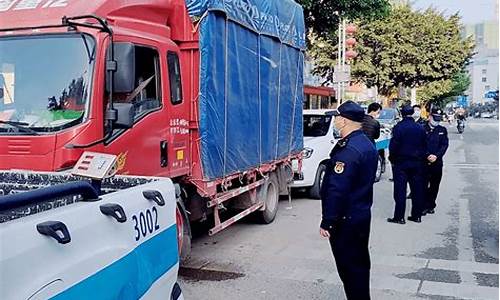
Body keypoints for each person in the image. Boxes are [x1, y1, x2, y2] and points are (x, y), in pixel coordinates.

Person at [319, 100, 378, 300]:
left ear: (343, 121)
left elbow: (338, 190)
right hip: (360, 215)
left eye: (336, 118)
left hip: (346, 220)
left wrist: (328, 220)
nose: (334, 121)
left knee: (350, 269)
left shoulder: (349, 151)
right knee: (359, 266)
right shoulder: (365, 143)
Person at [387, 105, 427, 224]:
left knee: (400, 191)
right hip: (417, 163)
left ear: (401, 113)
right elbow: (425, 145)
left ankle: (399, 217)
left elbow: (393, 146)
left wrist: (392, 159)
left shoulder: (398, 127)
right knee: (417, 190)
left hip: (401, 163)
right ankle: (416, 215)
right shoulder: (420, 128)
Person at [422, 108, 449, 215]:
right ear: (429, 117)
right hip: (423, 162)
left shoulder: (442, 130)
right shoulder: (422, 128)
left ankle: (431, 205)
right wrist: (427, 155)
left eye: (438, 119)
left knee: (434, 185)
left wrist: (436, 156)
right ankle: (422, 205)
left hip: (437, 163)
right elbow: (420, 145)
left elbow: (444, 145)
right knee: (422, 185)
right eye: (435, 118)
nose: (436, 121)